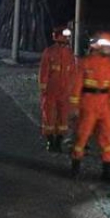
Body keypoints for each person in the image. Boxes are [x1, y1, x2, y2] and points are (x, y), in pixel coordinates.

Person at [69, 32, 110, 182]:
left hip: (104, 105)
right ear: (98, 46)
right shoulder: (85, 63)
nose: (108, 49)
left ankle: (107, 171)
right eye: (106, 46)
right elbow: (77, 85)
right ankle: (75, 167)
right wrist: (74, 106)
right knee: (82, 136)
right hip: (88, 104)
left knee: (107, 137)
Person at [38, 24, 76, 153]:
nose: (67, 38)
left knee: (63, 117)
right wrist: (43, 88)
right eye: (64, 35)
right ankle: (50, 140)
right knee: (49, 115)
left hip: (64, 91)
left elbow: (73, 73)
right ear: (57, 36)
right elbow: (44, 71)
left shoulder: (69, 54)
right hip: (51, 90)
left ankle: (58, 142)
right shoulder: (49, 52)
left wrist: (72, 88)